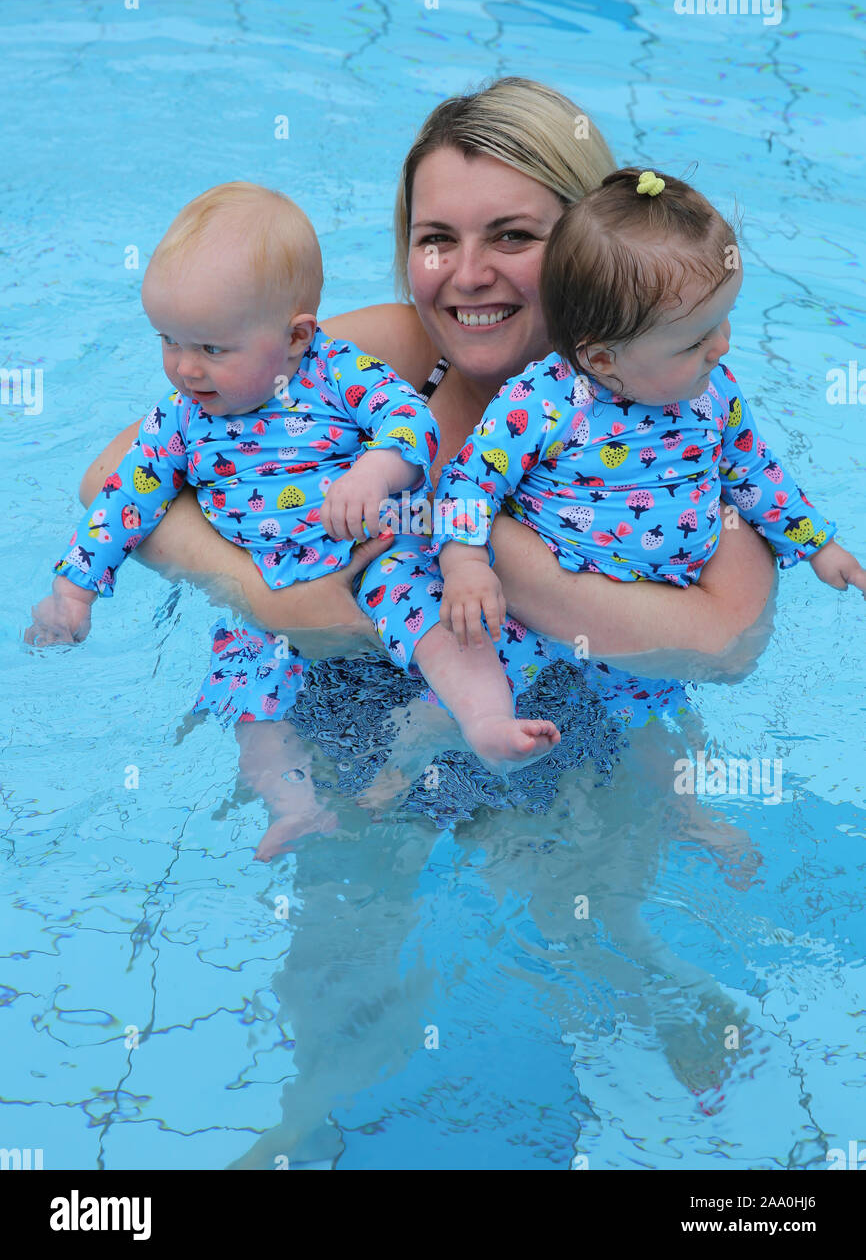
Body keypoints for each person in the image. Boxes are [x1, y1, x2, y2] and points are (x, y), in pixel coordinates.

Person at [73, 78, 780, 834]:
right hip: (351, 713)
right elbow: (110, 477)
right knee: (342, 928)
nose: (467, 274)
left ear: (591, 248)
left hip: (574, 735)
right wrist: (266, 596)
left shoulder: (670, 405)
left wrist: (488, 551)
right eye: (436, 238)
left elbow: (728, 642)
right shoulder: (395, 354)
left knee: (589, 929)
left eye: (512, 236)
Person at [26, 180, 452, 853]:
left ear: (296, 337)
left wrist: (375, 470)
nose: (185, 369)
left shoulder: (338, 373)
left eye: (212, 350)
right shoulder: (182, 419)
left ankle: (423, 745)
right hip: (273, 595)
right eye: (169, 341)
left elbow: (411, 421)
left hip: (380, 564)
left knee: (439, 636)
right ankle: (295, 805)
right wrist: (72, 590)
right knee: (247, 701)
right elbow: (123, 496)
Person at [400, 167, 863, 728]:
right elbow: (471, 479)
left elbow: (752, 470)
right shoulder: (544, 402)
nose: (722, 347)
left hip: (645, 636)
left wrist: (818, 545)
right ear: (600, 360)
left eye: (723, 322)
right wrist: (466, 560)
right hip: (530, 636)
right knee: (464, 716)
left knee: (643, 741)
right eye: (695, 340)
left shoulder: (712, 390)